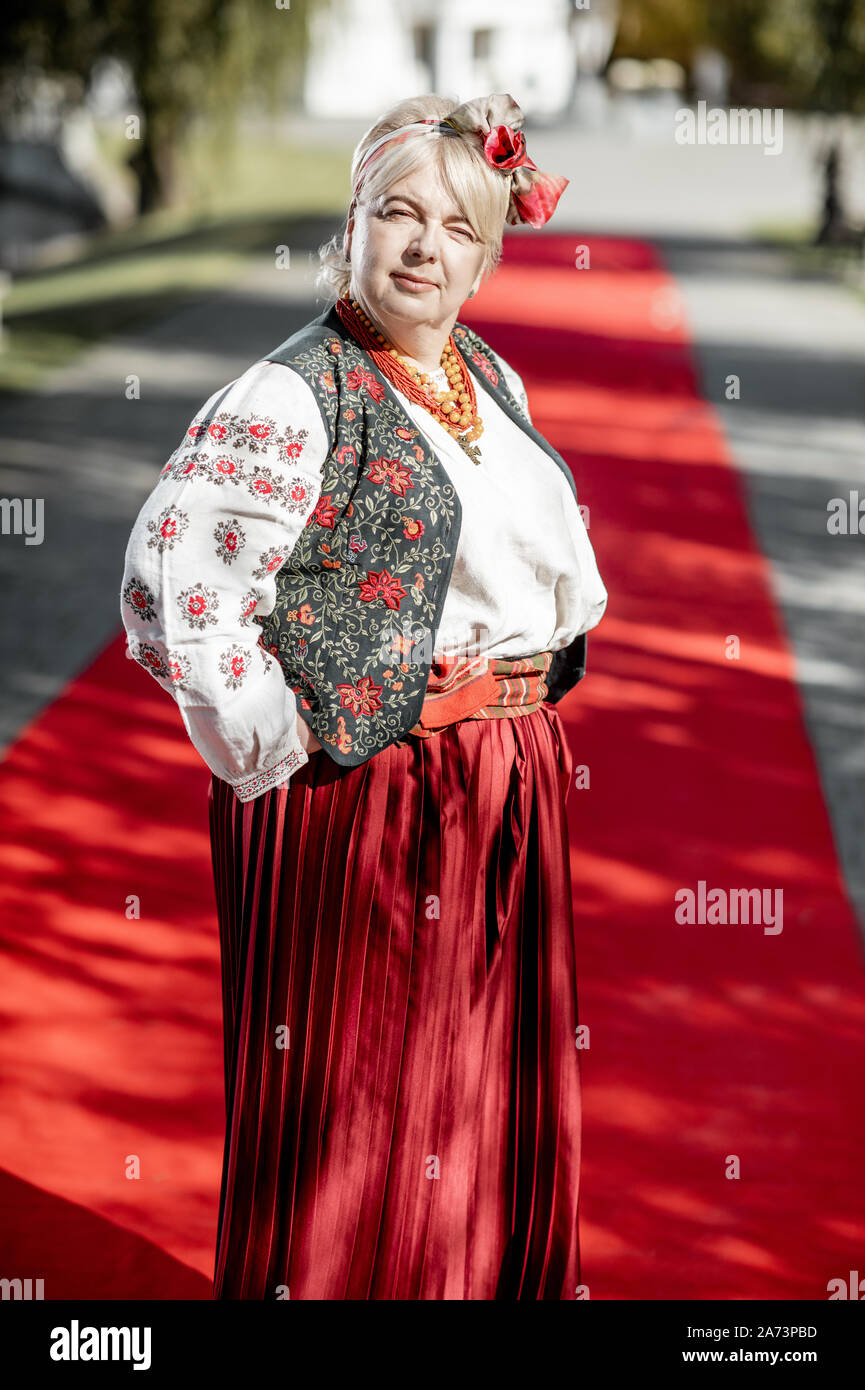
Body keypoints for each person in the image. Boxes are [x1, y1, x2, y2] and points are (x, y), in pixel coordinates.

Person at [120, 92, 608, 1300]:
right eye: (397, 212)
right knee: (364, 1098)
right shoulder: (294, 395)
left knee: (479, 1094)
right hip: (368, 799)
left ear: (487, 255)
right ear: (351, 224)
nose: (424, 246)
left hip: (503, 785)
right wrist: (282, 745)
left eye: (457, 226)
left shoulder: (484, 374)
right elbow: (174, 580)